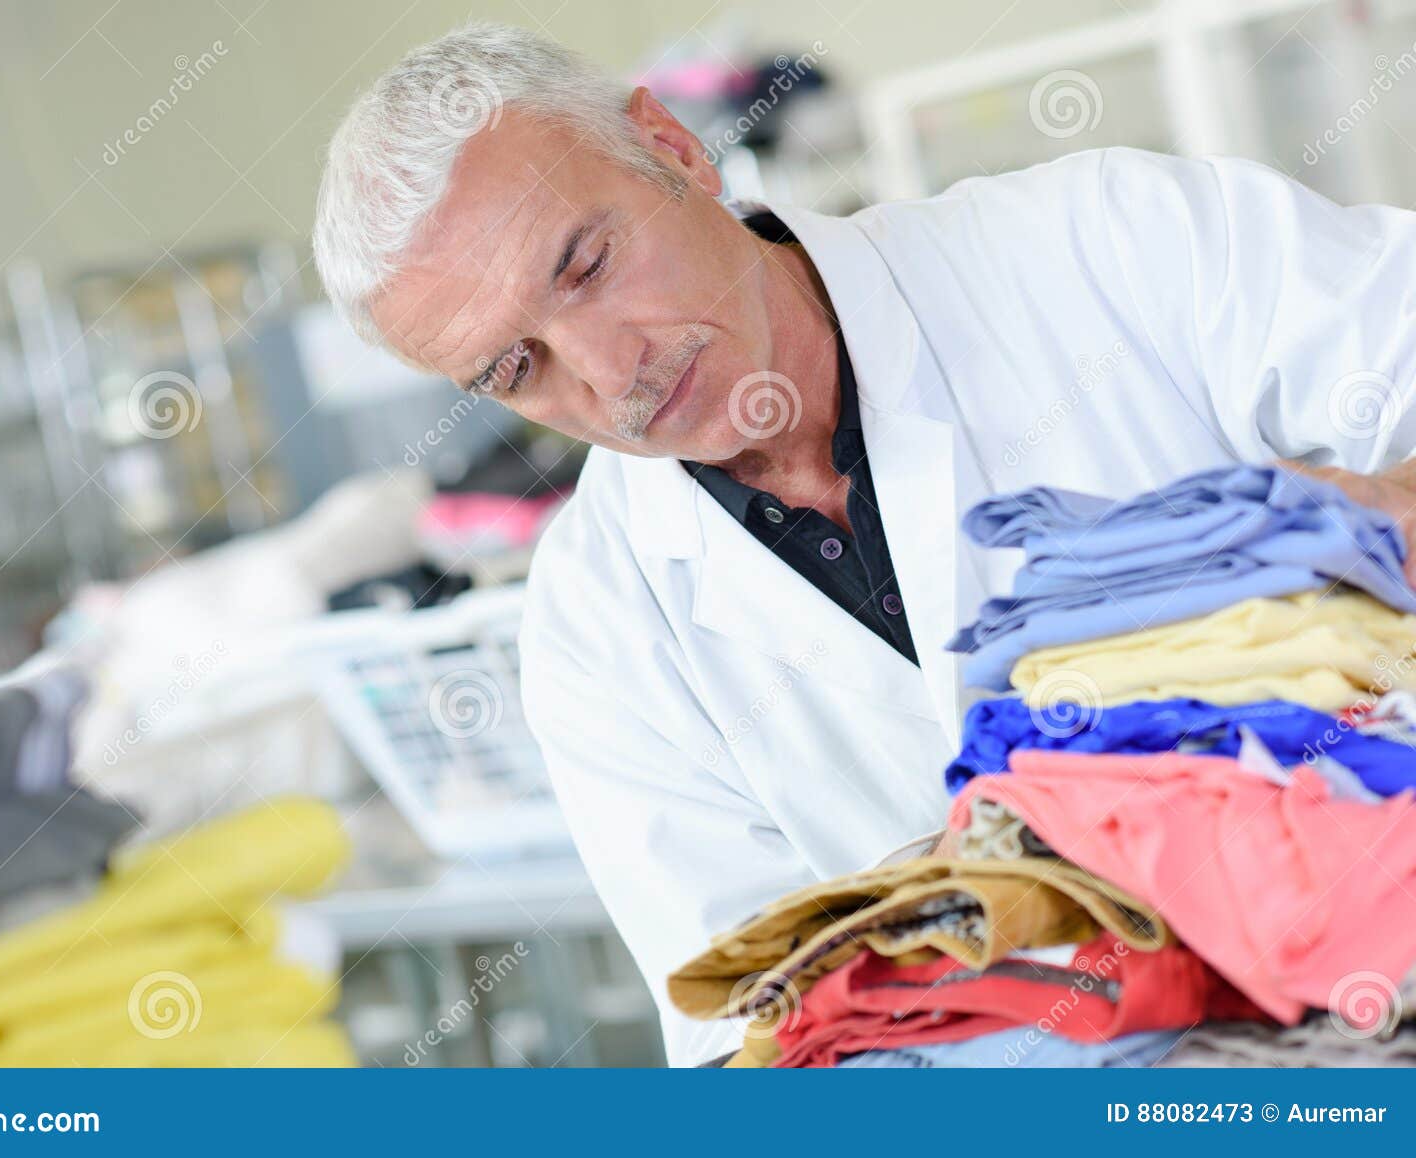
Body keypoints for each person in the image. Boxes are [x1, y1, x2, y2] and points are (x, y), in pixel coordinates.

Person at [313, 23, 1416, 1064]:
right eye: (514, 370)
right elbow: (744, 1038)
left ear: (673, 150)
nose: (609, 377)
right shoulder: (596, 623)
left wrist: (1328, 543)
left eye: (586, 265)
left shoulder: (1114, 242)